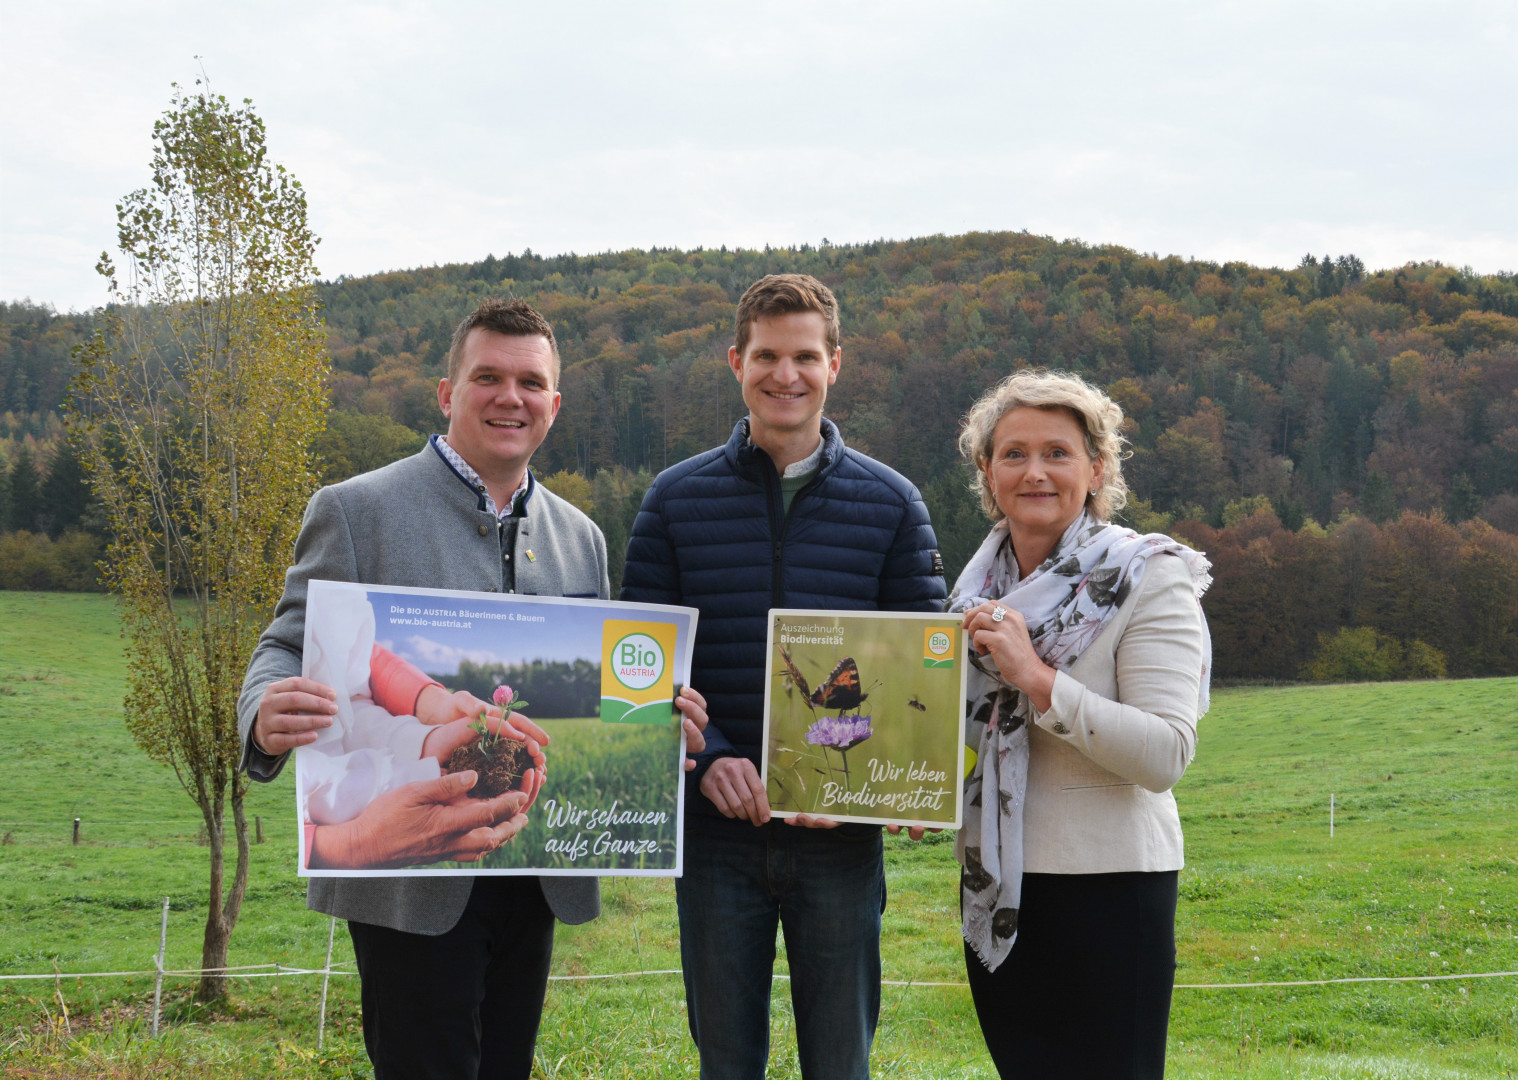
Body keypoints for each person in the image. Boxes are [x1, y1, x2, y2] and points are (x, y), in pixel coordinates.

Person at [237, 297, 709, 1080]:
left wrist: (664, 713)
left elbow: (598, 679)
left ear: (553, 405)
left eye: (530, 382)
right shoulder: (357, 510)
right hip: (406, 879)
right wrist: (264, 708)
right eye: (487, 376)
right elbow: (287, 643)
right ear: (446, 391)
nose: (509, 397)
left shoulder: (580, 537)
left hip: (534, 872)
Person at [621, 273, 946, 1079]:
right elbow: (639, 670)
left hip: (838, 848)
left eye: (805, 356)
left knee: (840, 1061)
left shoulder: (893, 505)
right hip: (717, 840)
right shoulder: (674, 500)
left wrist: (850, 782)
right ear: (737, 361)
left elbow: (920, 684)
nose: (785, 375)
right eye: (767, 355)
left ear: (836, 363)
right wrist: (708, 760)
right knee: (726, 1061)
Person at [949, 369, 1212, 1079]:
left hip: (1111, 891)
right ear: (987, 470)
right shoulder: (970, 594)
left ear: (1097, 469)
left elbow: (1165, 755)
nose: (1035, 472)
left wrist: (1037, 678)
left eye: (1058, 453)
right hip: (998, 883)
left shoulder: (1148, 575)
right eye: (1013, 453)